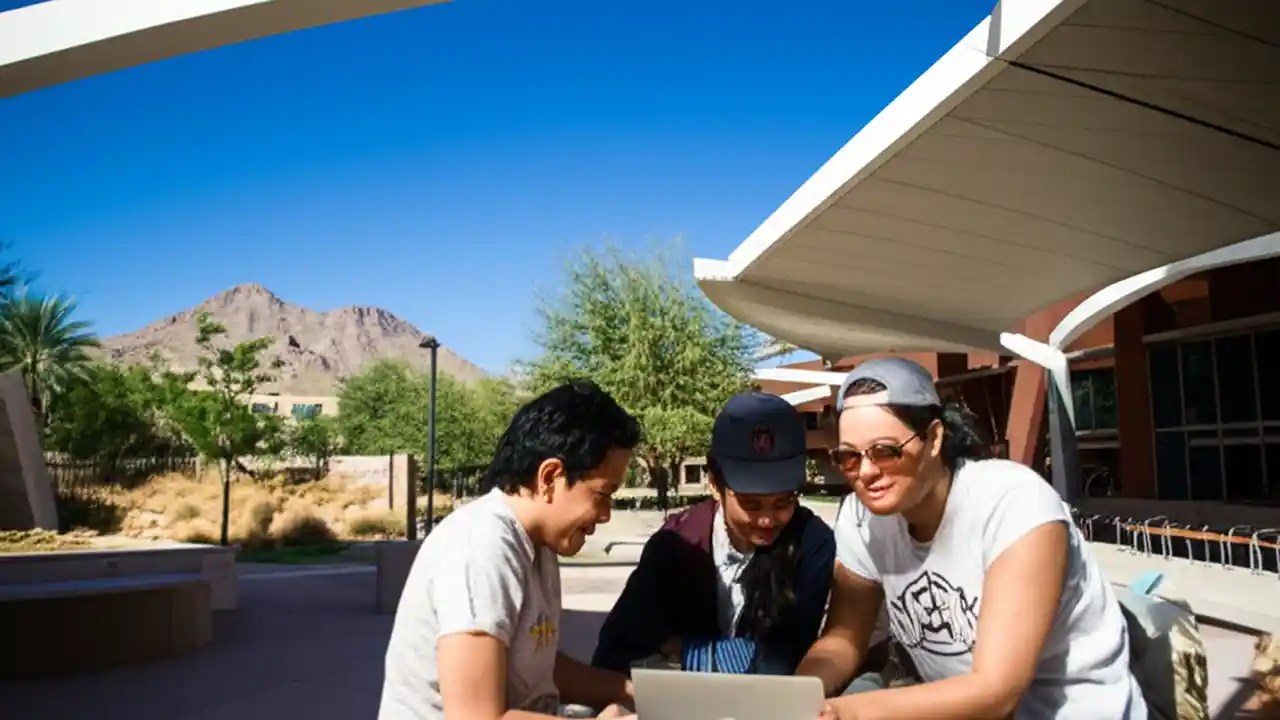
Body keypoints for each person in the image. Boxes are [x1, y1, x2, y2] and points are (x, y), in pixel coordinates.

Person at [799, 357, 1146, 720]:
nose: (867, 472)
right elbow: (844, 639)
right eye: (850, 458)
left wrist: (845, 713)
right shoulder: (861, 517)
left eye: (886, 451)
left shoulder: (1013, 503)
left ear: (934, 438)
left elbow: (996, 691)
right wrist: (791, 698)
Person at [378, 380, 642, 720]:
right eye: (603, 494)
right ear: (550, 477)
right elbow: (474, 718)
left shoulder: (538, 544)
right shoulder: (482, 549)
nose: (605, 515)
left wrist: (632, 690)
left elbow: (538, 667)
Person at [592, 391, 835, 676]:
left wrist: (686, 652)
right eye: (750, 503)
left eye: (784, 502)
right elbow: (617, 652)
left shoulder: (811, 543)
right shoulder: (675, 546)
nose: (767, 520)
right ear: (714, 485)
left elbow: (785, 657)